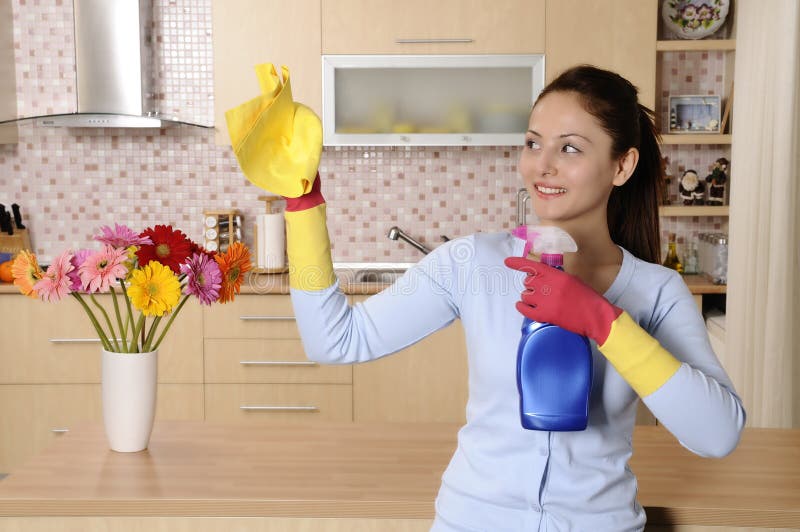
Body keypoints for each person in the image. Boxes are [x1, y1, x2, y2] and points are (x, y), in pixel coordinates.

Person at [226, 64, 745, 532]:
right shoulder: (472, 264)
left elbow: (717, 435)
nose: (541, 165)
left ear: (622, 166)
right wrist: (303, 203)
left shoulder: (656, 291)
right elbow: (335, 340)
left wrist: (603, 321)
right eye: (532, 142)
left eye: (569, 148)